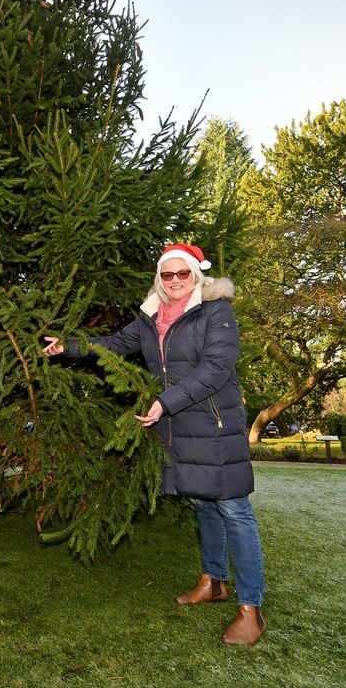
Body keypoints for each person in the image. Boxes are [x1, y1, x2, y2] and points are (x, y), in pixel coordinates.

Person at [43, 243, 267, 645]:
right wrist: (69, 346)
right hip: (177, 425)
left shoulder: (217, 312)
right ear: (159, 279)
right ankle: (213, 581)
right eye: (168, 275)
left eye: (184, 274)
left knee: (234, 509)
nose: (176, 281)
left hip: (215, 425)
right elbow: (113, 344)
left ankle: (251, 608)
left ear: (197, 276)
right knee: (203, 503)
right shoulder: (150, 317)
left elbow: (216, 369)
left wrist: (165, 402)